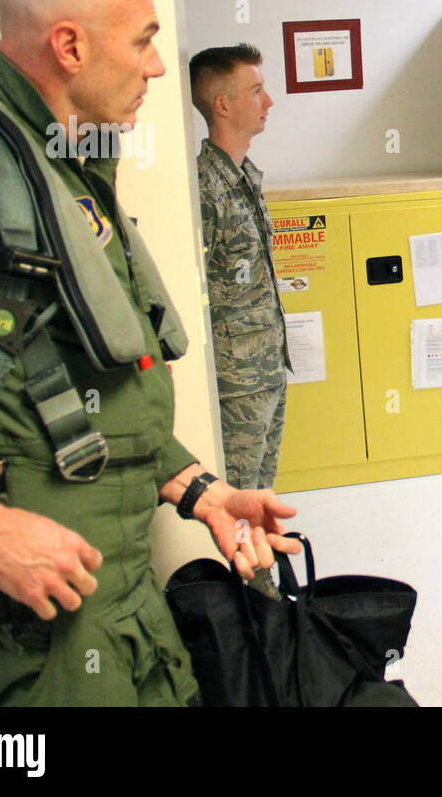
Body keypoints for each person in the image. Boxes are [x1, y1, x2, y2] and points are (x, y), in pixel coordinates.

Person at [0, 0, 299, 705]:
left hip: (118, 606)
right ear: (70, 46)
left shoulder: (63, 172)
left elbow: (85, 382)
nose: (156, 67)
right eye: (144, 41)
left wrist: (198, 487)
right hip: (24, 632)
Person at [190, 44, 288, 596]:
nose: (268, 100)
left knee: (262, 496)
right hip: (237, 382)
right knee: (241, 500)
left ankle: (266, 599)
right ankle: (255, 610)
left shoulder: (245, 174)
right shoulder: (204, 186)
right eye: (256, 90)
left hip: (269, 365)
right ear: (223, 104)